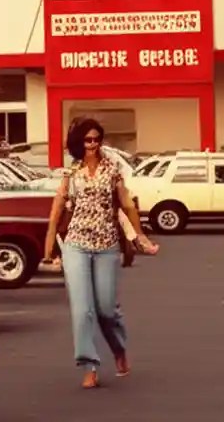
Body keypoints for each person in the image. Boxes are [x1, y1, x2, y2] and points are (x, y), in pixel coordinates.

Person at [43, 118, 154, 389]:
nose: (92, 145)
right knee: (82, 310)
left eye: (96, 139)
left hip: (106, 245)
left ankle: (119, 350)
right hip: (76, 244)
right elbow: (57, 208)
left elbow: (126, 204)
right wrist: (49, 245)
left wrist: (140, 236)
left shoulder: (112, 168)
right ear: (78, 143)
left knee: (106, 309)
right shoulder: (71, 172)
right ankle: (88, 364)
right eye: (87, 140)